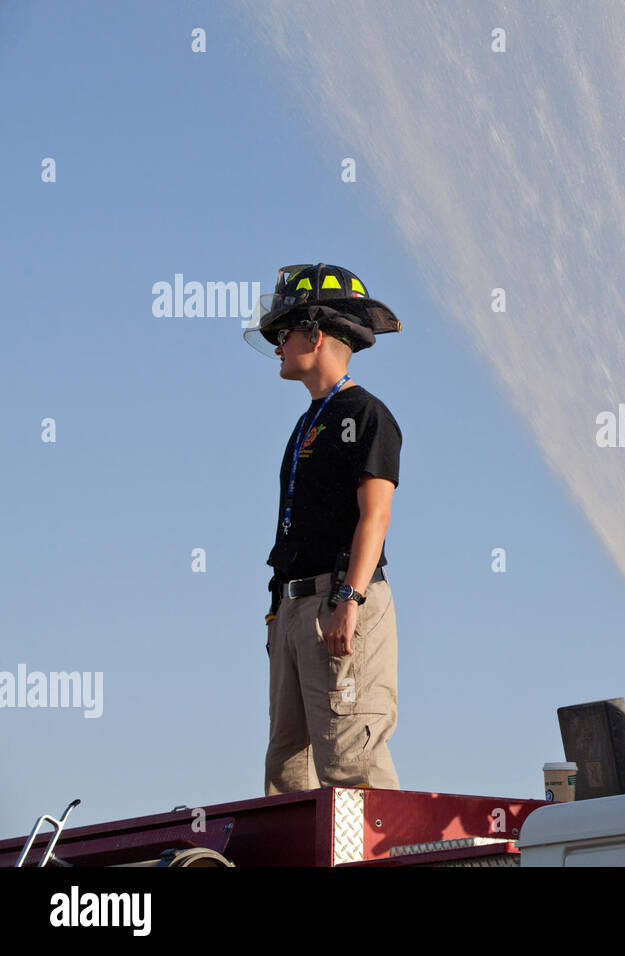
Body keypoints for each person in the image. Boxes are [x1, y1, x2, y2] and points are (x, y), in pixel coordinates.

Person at [243, 263, 404, 792]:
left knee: (350, 762)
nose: (277, 346)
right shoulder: (311, 419)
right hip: (296, 609)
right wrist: (278, 612)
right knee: (286, 772)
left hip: (339, 602)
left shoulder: (367, 412)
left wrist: (350, 598)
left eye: (284, 333)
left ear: (315, 333)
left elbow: (374, 516)